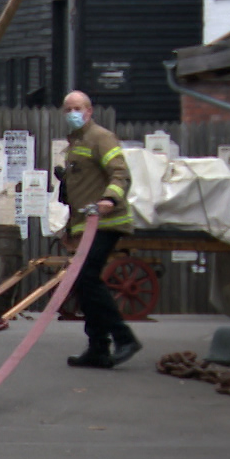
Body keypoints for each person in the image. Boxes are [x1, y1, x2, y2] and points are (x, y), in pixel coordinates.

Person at [56, 90, 141, 368]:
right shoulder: (75, 143)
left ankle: (123, 337)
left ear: (90, 111)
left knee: (88, 277)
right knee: (82, 282)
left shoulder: (100, 137)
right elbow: (76, 191)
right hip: (86, 225)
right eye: (68, 109)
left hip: (107, 221)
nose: (73, 113)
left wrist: (109, 199)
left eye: (78, 108)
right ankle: (98, 347)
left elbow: (120, 173)